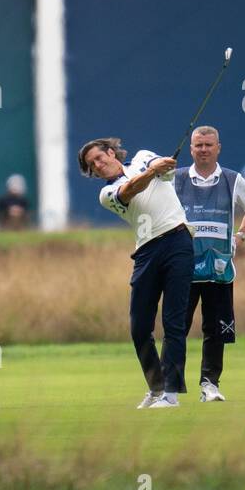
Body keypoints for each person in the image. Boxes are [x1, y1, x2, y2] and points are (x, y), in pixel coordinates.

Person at [80, 137, 191, 409]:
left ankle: (171, 394)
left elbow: (158, 165)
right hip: (146, 252)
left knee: (173, 322)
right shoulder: (107, 194)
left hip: (178, 241)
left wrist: (161, 165)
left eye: (99, 157)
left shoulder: (142, 156)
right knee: (140, 327)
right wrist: (153, 171)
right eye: (91, 165)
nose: (97, 165)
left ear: (110, 152)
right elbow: (130, 189)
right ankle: (156, 387)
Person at [173, 126, 245, 402]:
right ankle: (169, 385)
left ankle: (209, 384)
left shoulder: (232, 180)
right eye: (198, 145)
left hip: (219, 269)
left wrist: (240, 237)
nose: (203, 150)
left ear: (218, 148)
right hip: (183, 269)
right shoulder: (175, 180)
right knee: (177, 329)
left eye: (208, 145)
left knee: (215, 329)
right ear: (191, 149)